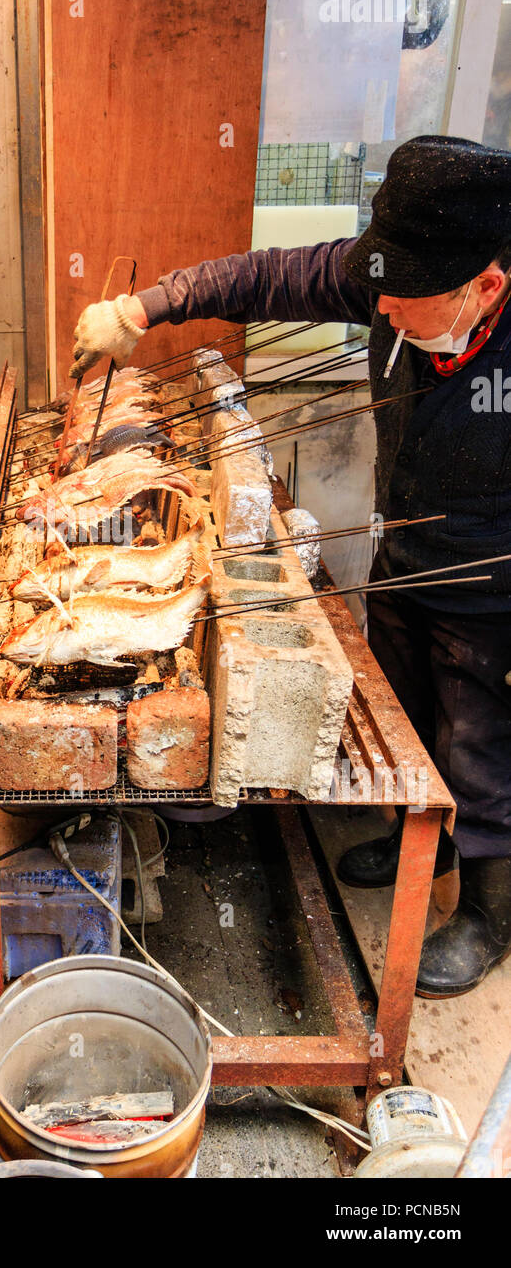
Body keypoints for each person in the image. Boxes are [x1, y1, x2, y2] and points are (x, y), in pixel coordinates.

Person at [70, 135, 511, 999]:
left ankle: (490, 915)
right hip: (407, 549)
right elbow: (266, 276)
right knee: (411, 711)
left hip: (495, 585)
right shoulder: (401, 275)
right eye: (375, 291)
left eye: (402, 302)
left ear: (484, 285)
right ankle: (420, 835)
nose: (379, 312)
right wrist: (145, 308)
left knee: (483, 748)